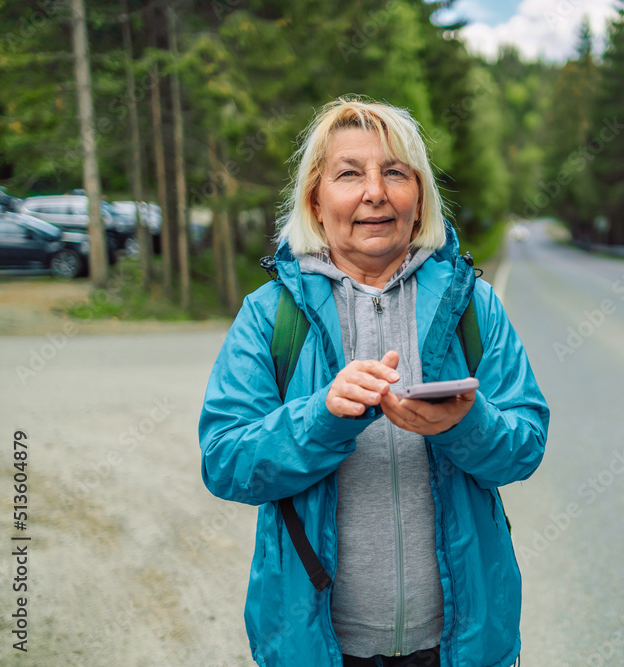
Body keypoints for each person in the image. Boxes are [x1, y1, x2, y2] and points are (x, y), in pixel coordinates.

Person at [198, 96, 549, 667]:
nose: (374, 193)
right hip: (317, 646)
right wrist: (321, 416)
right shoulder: (269, 316)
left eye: (394, 172)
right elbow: (224, 462)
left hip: (458, 644)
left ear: (420, 198)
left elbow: (525, 445)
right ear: (316, 200)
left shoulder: (473, 305)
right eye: (348, 174)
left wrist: (467, 423)